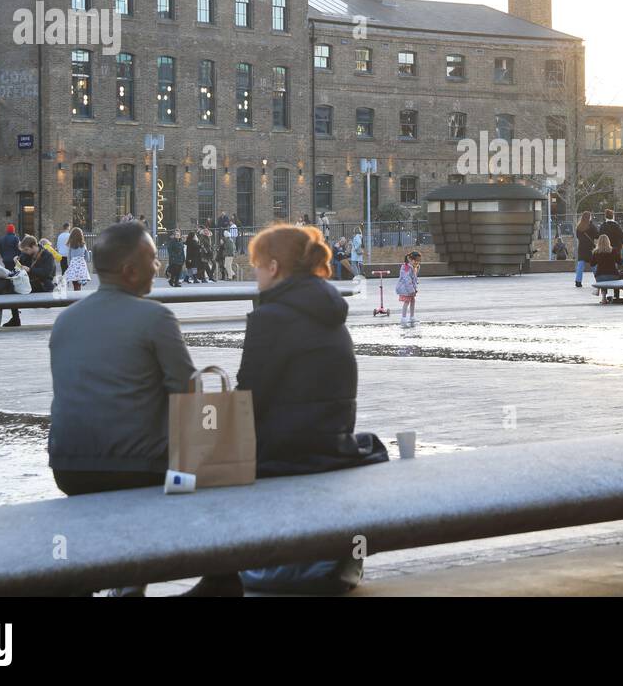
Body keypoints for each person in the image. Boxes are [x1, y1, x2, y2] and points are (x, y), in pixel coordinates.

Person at [49, 221, 205, 596]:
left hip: (69, 468)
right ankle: (212, 577)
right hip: (137, 468)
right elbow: (190, 392)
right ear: (129, 271)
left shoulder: (65, 321)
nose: (158, 267)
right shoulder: (156, 318)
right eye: (152, 260)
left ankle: (112, 581)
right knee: (213, 477)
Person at [234, 224, 388, 595]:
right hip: (333, 445)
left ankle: (219, 575)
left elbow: (247, 400)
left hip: (287, 452)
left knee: (203, 471)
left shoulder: (270, 319)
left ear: (273, 267)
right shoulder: (329, 313)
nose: (254, 273)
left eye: (256, 265)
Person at [589, 233, 623, 304]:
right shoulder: (613, 250)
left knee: (603, 278)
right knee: (617, 278)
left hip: (599, 277)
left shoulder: (596, 252)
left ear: (598, 242)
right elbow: (620, 262)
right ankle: (616, 297)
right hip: (613, 275)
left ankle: (603, 298)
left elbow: (592, 264)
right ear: (608, 241)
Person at [574, 211, 598, 288]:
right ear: (589, 217)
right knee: (593, 265)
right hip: (590, 248)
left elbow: (578, 236)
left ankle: (578, 281)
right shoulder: (591, 226)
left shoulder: (579, 226)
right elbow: (597, 235)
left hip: (581, 248)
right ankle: (598, 279)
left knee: (580, 265)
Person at [396, 250, 421, 325]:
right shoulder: (406, 267)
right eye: (415, 260)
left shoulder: (414, 266)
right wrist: (411, 290)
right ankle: (403, 318)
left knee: (413, 301)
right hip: (405, 288)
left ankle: (412, 317)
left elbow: (414, 278)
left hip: (411, 288)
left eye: (418, 261)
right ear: (410, 259)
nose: (417, 262)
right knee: (406, 302)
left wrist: (414, 289)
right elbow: (407, 279)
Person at [64, 227, 92, 291]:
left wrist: (69, 265)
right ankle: (82, 282)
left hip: (73, 264)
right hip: (81, 264)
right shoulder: (83, 244)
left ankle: (76, 293)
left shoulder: (71, 245)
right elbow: (87, 257)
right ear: (81, 235)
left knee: (75, 283)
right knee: (79, 283)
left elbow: (69, 257)